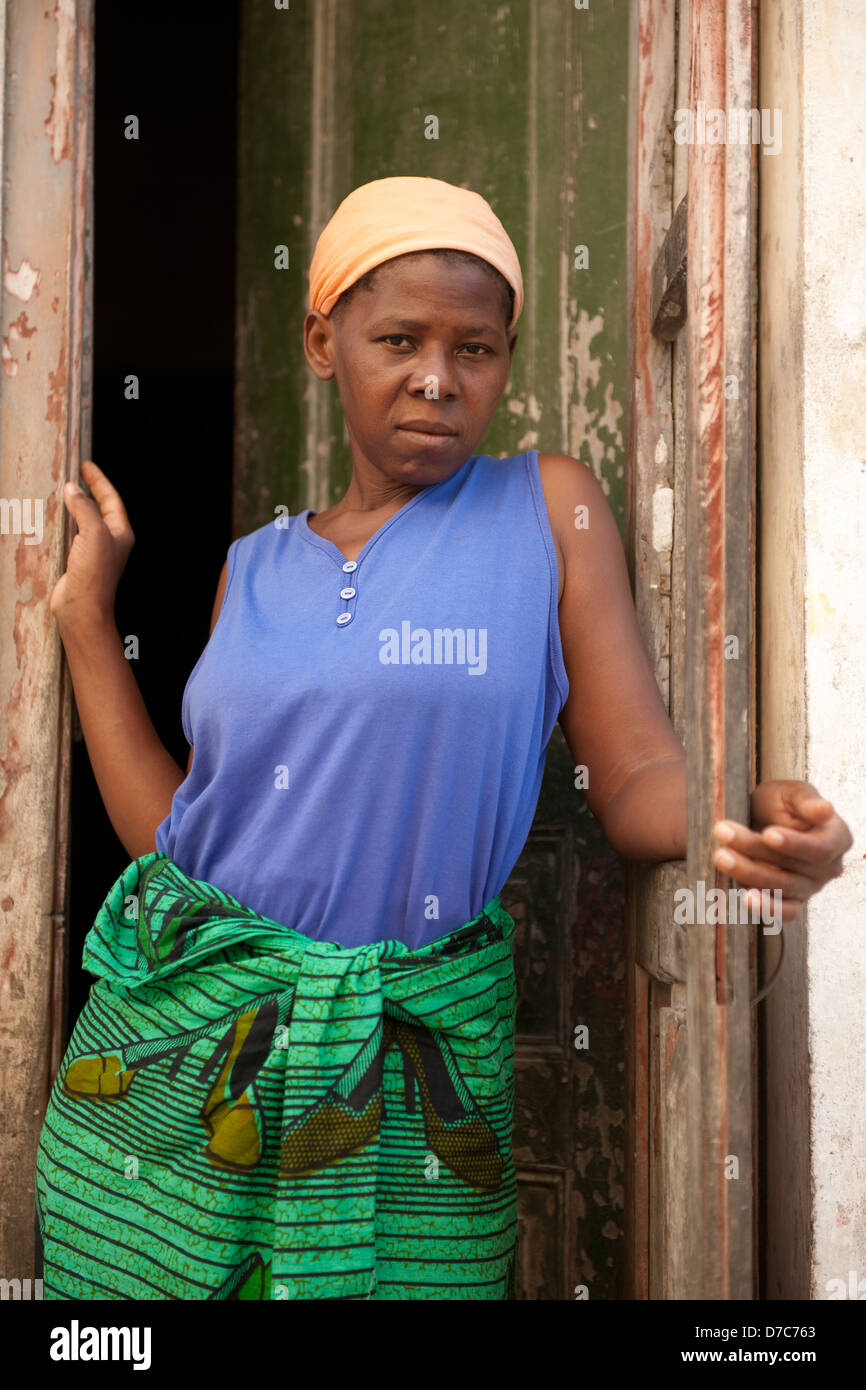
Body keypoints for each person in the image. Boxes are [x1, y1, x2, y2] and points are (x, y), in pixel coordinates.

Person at [35, 176, 852, 1301]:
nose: (435, 375)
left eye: (474, 347)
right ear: (324, 343)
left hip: (405, 1071)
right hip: (178, 1053)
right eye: (397, 338)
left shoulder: (546, 508)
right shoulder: (254, 566)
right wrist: (87, 622)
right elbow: (177, 838)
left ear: (508, 358)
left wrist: (742, 813)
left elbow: (631, 776)